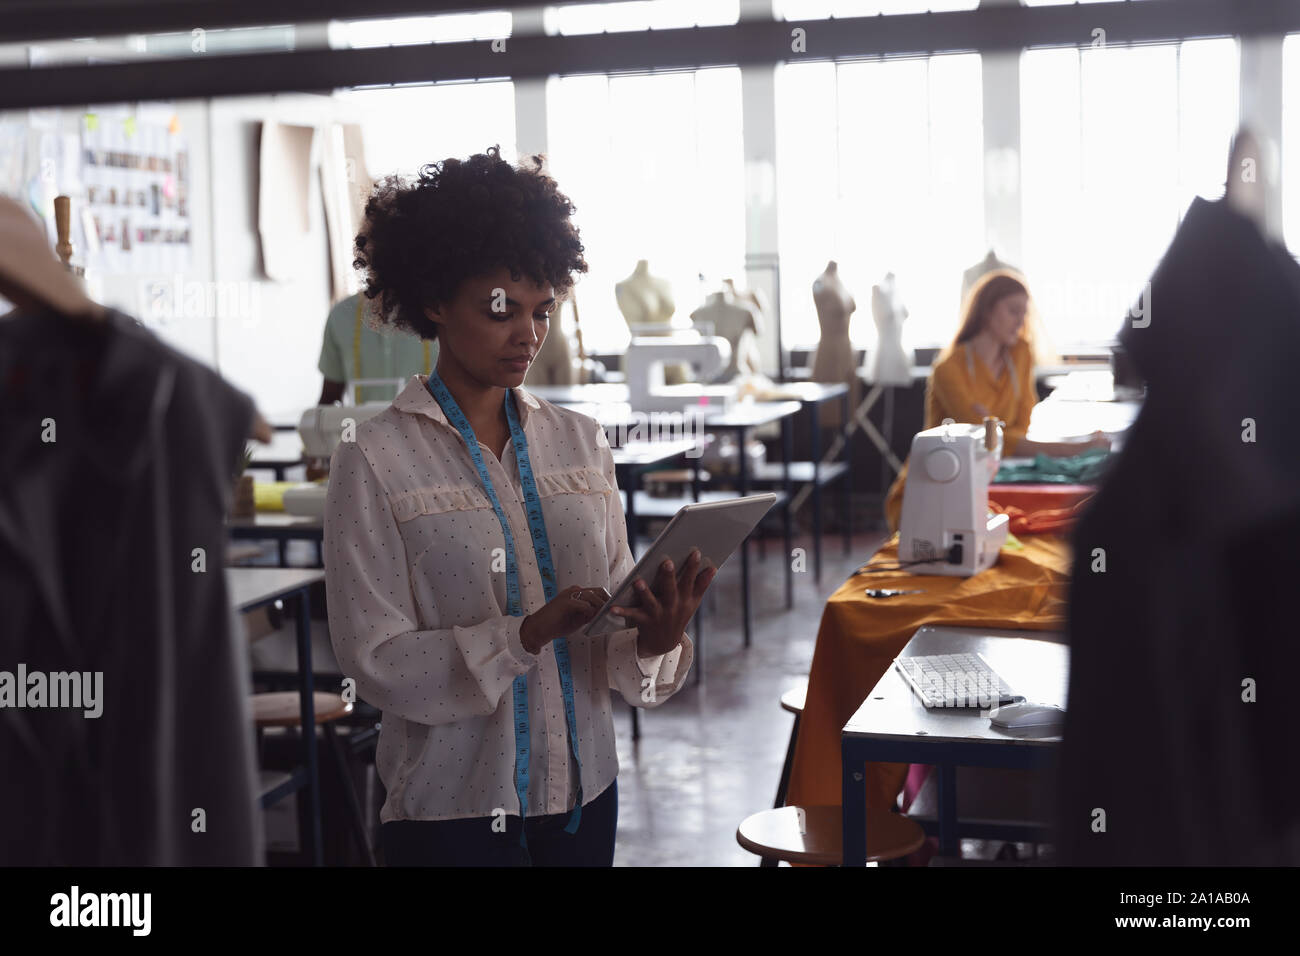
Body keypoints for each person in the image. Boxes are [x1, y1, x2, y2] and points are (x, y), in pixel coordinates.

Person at [324, 147, 708, 867]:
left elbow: (613, 631)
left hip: (586, 796)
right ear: (436, 299)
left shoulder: (580, 443)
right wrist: (522, 636)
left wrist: (656, 637)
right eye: (502, 309)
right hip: (452, 812)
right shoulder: (374, 457)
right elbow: (374, 659)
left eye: (542, 311)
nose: (528, 334)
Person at [884, 270, 1109, 531]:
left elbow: (1017, 427)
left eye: (1024, 313)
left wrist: (993, 425)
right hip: (930, 487)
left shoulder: (1020, 354)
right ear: (987, 311)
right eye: (1013, 311)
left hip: (985, 477)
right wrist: (1075, 449)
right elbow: (989, 440)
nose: (1020, 322)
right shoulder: (948, 369)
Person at [309, 292, 439, 478]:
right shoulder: (341, 315)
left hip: (429, 455)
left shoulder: (443, 311)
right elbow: (329, 397)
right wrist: (316, 454)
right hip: (364, 457)